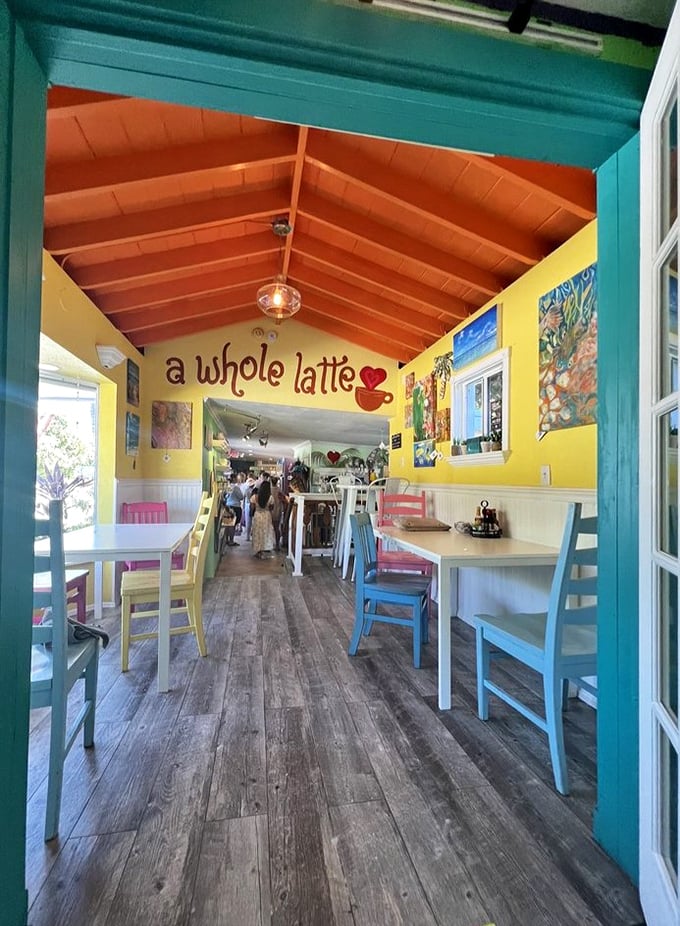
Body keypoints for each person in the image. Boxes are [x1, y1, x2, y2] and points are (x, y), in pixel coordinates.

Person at [251, 479, 275, 559]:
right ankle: (264, 549)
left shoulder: (254, 497)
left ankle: (258, 551)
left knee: (257, 532)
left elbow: (252, 508)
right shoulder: (270, 498)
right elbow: (272, 508)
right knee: (266, 532)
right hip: (266, 516)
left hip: (257, 515)